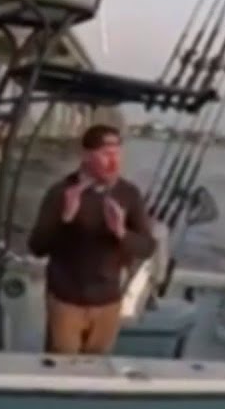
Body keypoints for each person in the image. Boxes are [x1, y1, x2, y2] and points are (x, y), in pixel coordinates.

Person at [26, 124, 157, 355]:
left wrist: (121, 232)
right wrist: (66, 218)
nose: (114, 162)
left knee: (97, 370)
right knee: (63, 369)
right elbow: (37, 247)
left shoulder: (129, 193)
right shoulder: (60, 193)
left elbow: (147, 248)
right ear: (86, 155)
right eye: (106, 154)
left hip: (109, 304)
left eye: (117, 154)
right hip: (66, 302)